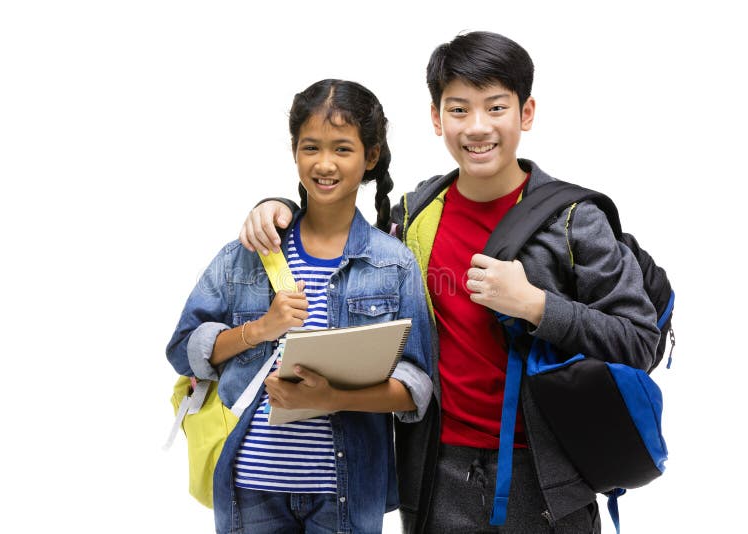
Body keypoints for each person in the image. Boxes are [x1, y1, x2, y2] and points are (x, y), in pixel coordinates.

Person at [238, 32, 660, 533]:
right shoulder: (416, 213)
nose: (477, 127)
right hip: (433, 474)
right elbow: (341, 241)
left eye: (495, 107)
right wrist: (280, 207)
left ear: (526, 113)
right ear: (437, 118)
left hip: (545, 480)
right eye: (459, 109)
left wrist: (535, 304)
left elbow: (640, 341)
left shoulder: (573, 219)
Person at [166, 79, 432, 534]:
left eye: (342, 149)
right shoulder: (249, 251)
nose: (324, 164)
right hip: (250, 486)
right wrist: (260, 329)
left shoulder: (395, 264)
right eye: (311, 147)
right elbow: (182, 349)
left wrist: (334, 398)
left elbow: (416, 387)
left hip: (345, 491)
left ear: (370, 157)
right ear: (294, 151)